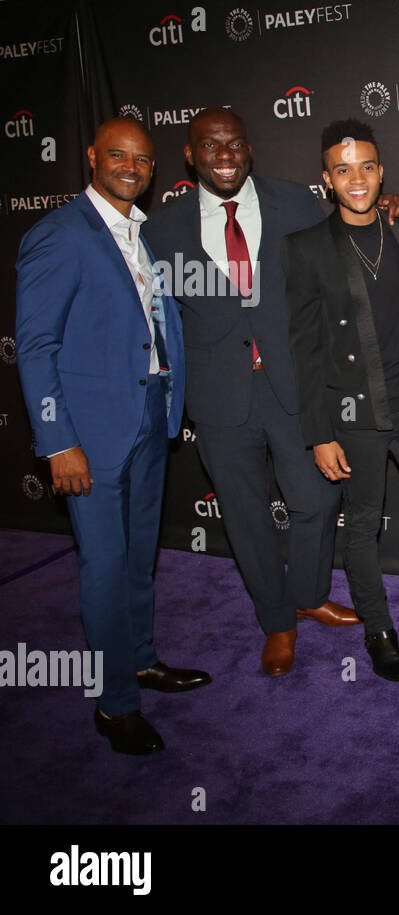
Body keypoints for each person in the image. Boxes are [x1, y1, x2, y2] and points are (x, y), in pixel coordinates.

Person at [145, 109, 399, 677]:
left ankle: (309, 595)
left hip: (295, 384)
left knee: (316, 501)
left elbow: (343, 244)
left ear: (249, 151)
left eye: (235, 143)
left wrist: (391, 212)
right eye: (210, 146)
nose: (224, 155)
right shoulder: (160, 229)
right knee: (244, 516)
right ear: (190, 155)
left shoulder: (295, 203)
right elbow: (154, 316)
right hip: (220, 398)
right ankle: (277, 622)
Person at [16, 117, 210, 755]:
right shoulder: (59, 235)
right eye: (119, 156)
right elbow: (36, 347)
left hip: (151, 418)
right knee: (103, 567)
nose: (132, 168)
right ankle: (113, 703)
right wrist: (56, 441)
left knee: (137, 558)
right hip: (90, 436)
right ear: (92, 156)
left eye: (143, 160)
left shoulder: (139, 233)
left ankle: (142, 661)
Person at [286, 119, 399, 682]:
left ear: (381, 171)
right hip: (356, 412)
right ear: (327, 179)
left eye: (366, 167)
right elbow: (303, 350)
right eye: (343, 170)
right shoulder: (304, 250)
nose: (357, 179)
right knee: (363, 523)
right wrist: (319, 433)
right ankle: (378, 628)